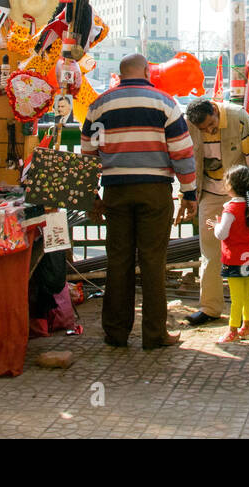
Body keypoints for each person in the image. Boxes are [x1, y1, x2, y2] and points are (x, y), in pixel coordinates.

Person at [81, 52, 196, 350]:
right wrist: (190, 192)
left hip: (115, 191)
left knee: (118, 260)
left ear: (120, 73)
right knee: (153, 261)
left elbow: (87, 155)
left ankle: (116, 333)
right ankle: (155, 334)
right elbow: (182, 152)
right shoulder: (165, 103)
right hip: (155, 191)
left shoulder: (99, 105)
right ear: (146, 70)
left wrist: (92, 195)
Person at [183, 98, 249, 326]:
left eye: (211, 125)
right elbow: (187, 160)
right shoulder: (190, 124)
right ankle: (210, 308)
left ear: (214, 110)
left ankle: (245, 311)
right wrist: (186, 195)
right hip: (208, 192)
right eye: (204, 129)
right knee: (210, 253)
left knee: (244, 251)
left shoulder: (239, 117)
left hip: (240, 194)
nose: (209, 131)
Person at [206, 165, 249, 343]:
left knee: (236, 297)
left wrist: (216, 225)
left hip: (234, 257)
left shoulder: (230, 209)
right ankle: (248, 326)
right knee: (246, 294)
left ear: (231, 186)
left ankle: (233, 330)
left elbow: (222, 234)